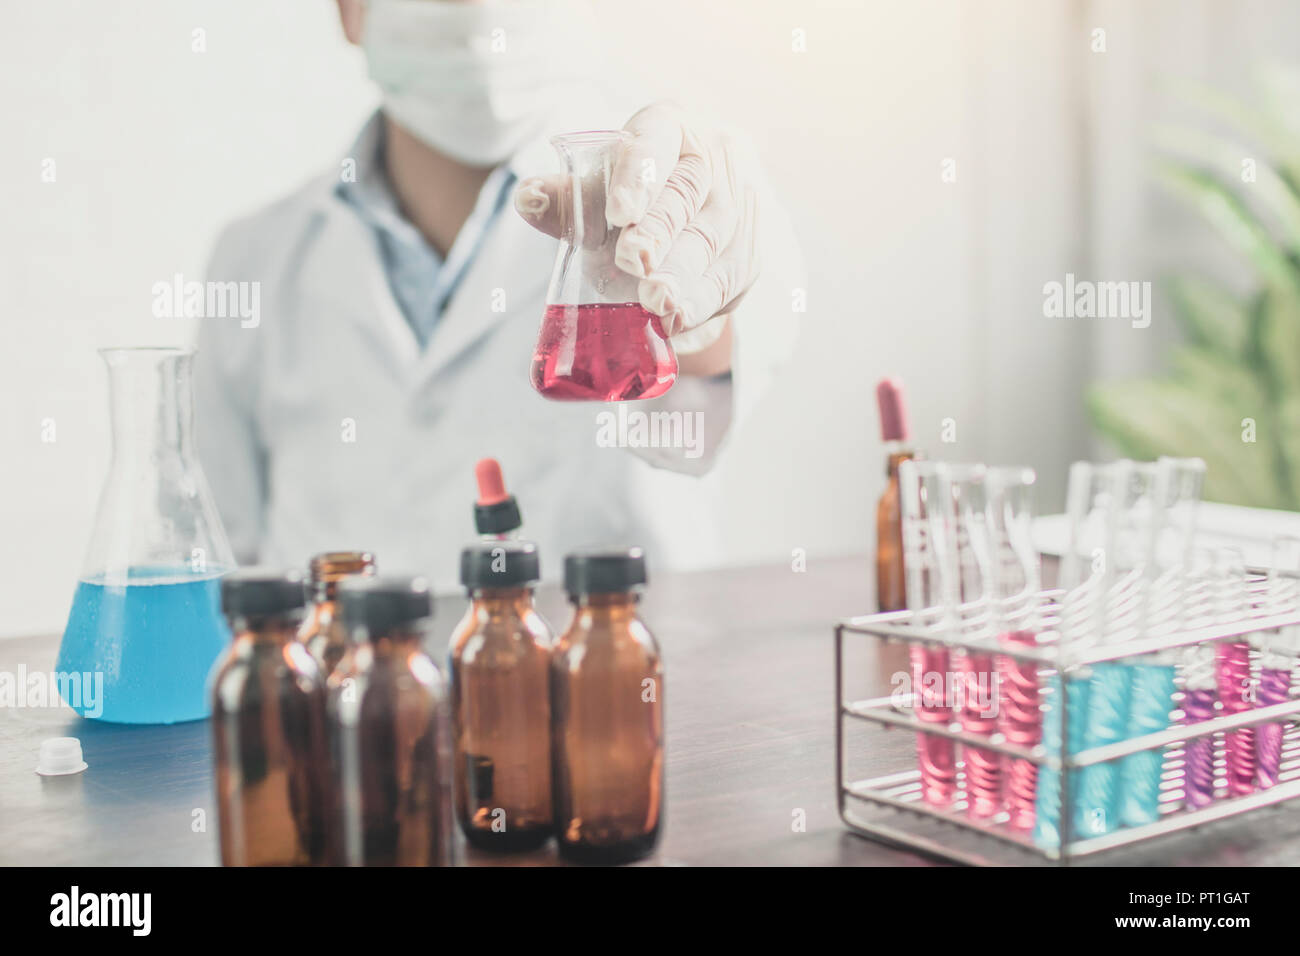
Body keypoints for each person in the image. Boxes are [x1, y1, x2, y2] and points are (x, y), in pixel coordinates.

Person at [195, 0, 801, 586]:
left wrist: (693, 302)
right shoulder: (253, 259)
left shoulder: (683, 203)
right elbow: (224, 563)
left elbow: (692, 433)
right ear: (351, 9)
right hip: (343, 686)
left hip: (614, 679)